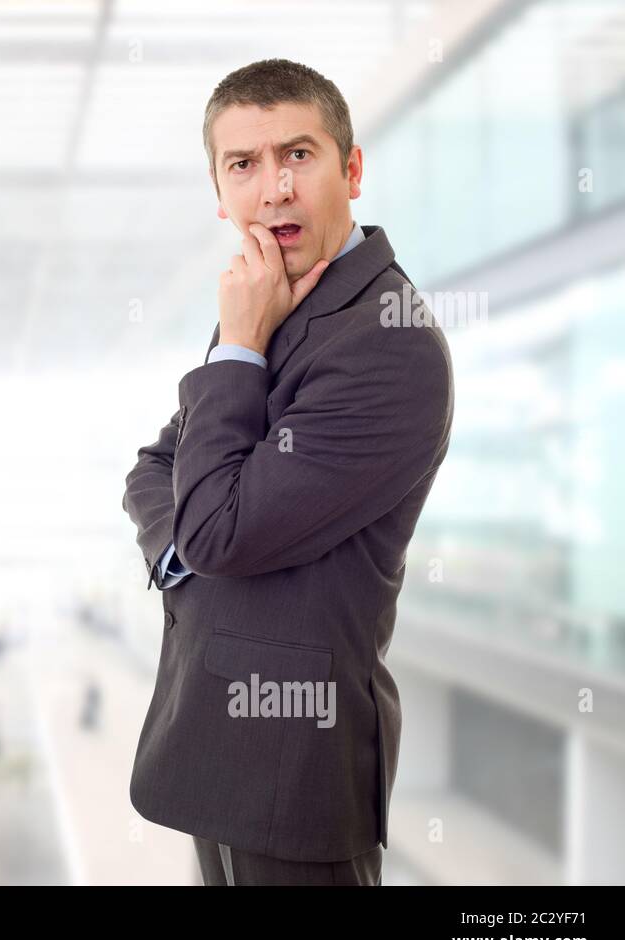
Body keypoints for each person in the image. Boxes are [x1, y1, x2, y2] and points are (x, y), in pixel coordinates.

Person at [123, 58, 453, 886]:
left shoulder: (388, 341)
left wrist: (238, 348)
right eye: (244, 165)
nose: (273, 189)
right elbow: (157, 465)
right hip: (216, 743)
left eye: (297, 155)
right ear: (219, 190)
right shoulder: (270, 299)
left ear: (352, 169)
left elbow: (221, 524)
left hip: (295, 770)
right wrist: (186, 552)